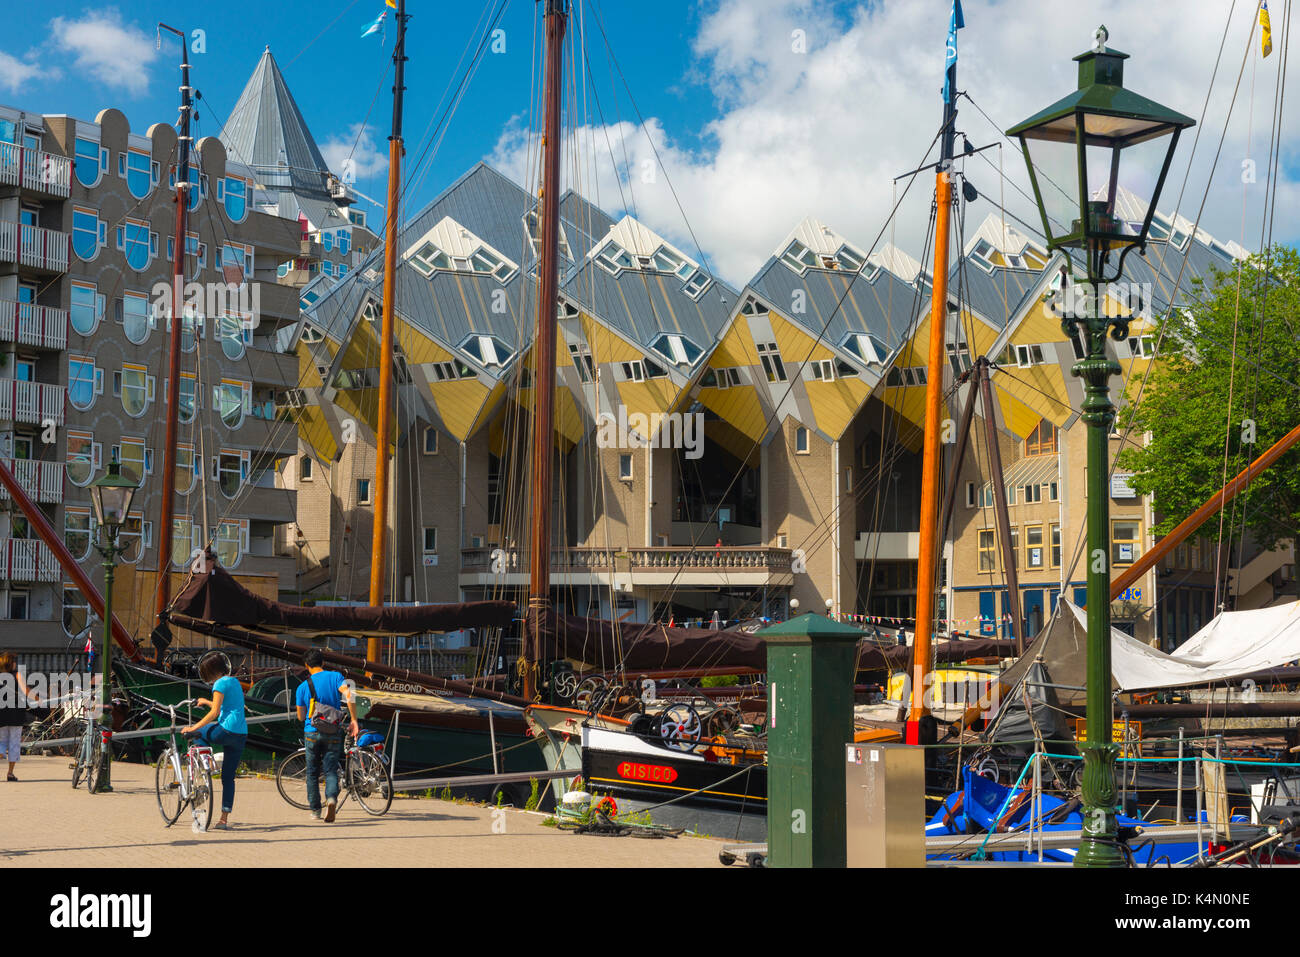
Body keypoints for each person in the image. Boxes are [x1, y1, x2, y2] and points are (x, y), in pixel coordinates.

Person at [181, 653, 247, 829]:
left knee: (199, 734)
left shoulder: (219, 683)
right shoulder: (234, 681)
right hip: (240, 734)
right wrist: (206, 701)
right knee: (228, 778)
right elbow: (227, 706)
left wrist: (193, 728)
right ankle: (223, 819)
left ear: (210, 671)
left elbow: (215, 713)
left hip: (226, 730)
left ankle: (206, 765)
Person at [295, 649, 359, 822]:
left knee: (312, 773)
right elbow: (349, 694)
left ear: (306, 666)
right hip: (332, 731)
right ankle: (331, 799)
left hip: (311, 732)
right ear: (323, 663)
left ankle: (315, 810)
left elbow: (301, 717)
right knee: (331, 769)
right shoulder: (336, 677)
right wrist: (354, 719)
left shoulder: (302, 687)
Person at [0, 652, 40, 781]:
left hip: (1, 714)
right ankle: (10, 773)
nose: (16, 663)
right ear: (10, 662)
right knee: (14, 743)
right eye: (14, 661)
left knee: (1, 741)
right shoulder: (17, 675)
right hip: (16, 714)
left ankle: (0, 753)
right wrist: (38, 700)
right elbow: (26, 691)